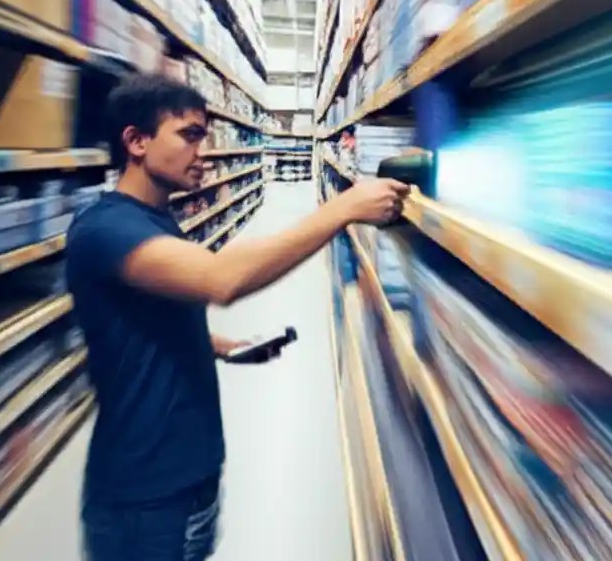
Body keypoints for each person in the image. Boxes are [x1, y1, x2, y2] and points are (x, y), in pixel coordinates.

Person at [67, 74, 408, 560]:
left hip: (189, 472)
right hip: (145, 493)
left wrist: (224, 347)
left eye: (204, 136)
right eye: (188, 135)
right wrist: (344, 208)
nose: (202, 152)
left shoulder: (153, 218)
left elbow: (143, 318)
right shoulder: (107, 230)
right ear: (136, 141)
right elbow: (219, 279)